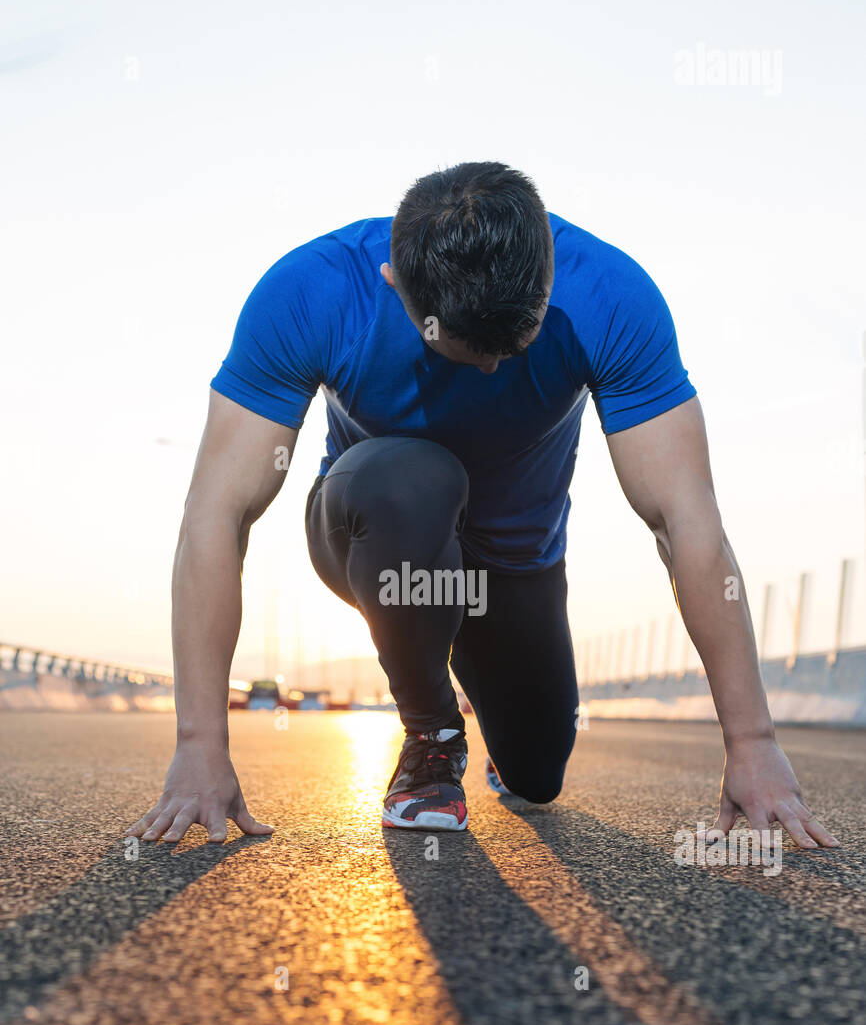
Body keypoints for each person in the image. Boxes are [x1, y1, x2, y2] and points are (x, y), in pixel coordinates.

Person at [127, 162, 837, 846]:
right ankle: (431, 735)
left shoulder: (611, 296)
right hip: (372, 525)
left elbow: (684, 521)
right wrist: (199, 745)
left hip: (513, 567)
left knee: (539, 776)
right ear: (396, 284)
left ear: (549, 275)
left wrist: (753, 742)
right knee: (415, 474)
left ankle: (500, 730)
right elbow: (217, 512)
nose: (495, 371)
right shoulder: (315, 290)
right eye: (471, 354)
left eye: (515, 344)